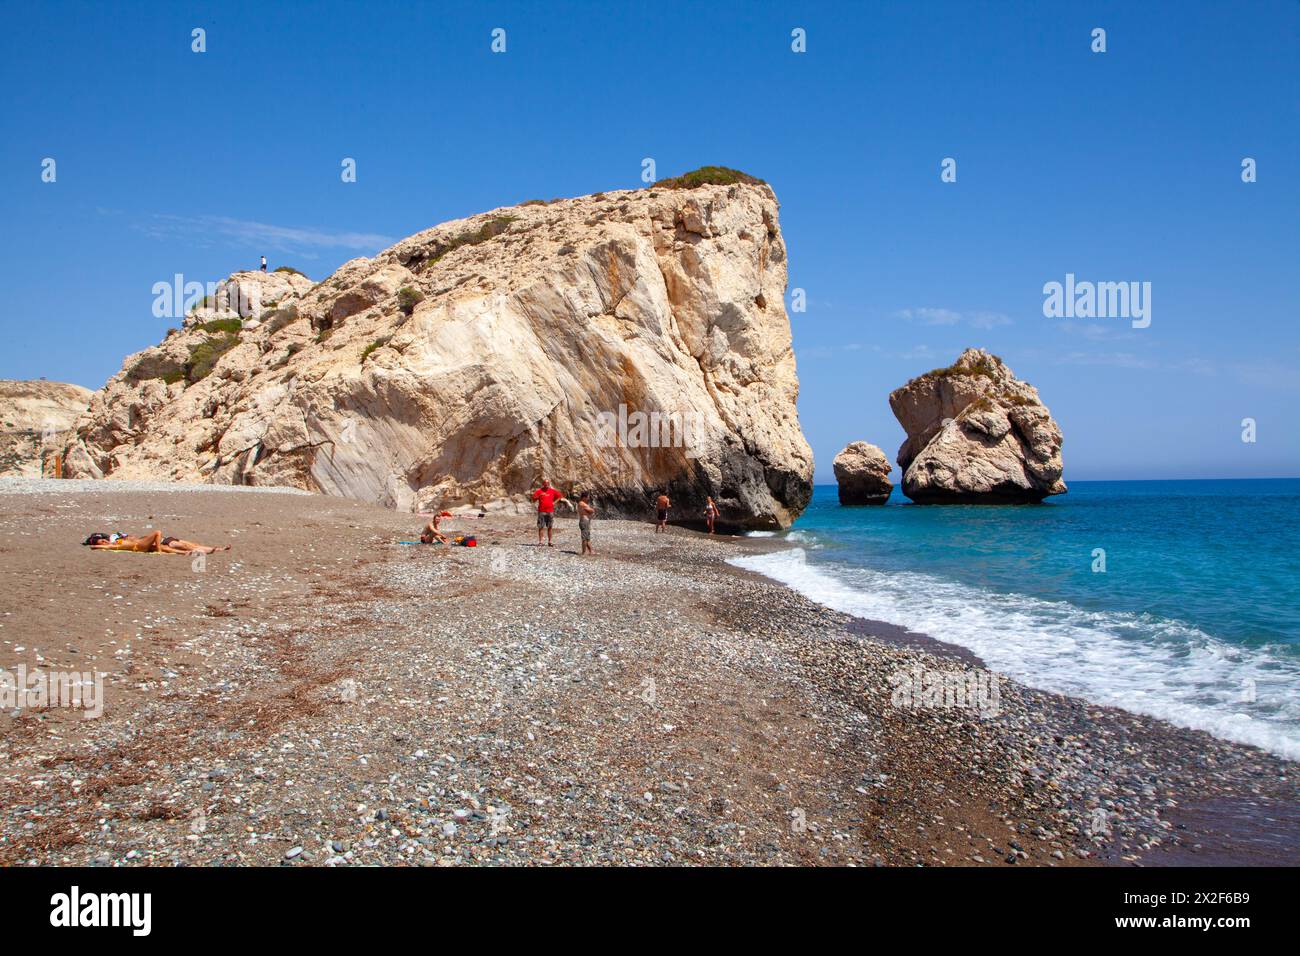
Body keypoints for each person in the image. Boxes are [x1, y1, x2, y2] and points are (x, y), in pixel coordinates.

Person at [84, 530, 230, 554]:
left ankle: (217, 549)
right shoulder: (114, 543)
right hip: (154, 543)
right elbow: (94, 547)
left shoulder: (117, 539)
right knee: (183, 547)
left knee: (189, 545)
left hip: (156, 541)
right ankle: (212, 550)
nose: (104, 542)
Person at [531, 479, 566, 547]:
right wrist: (536, 497)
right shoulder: (539, 491)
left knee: (550, 527)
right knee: (541, 527)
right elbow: (533, 499)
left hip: (550, 511)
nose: (546, 484)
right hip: (541, 511)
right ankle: (541, 542)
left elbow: (560, 496)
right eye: (545, 483)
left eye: (547, 483)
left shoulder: (552, 491)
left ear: (549, 484)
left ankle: (550, 541)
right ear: (543, 484)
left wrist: (554, 503)